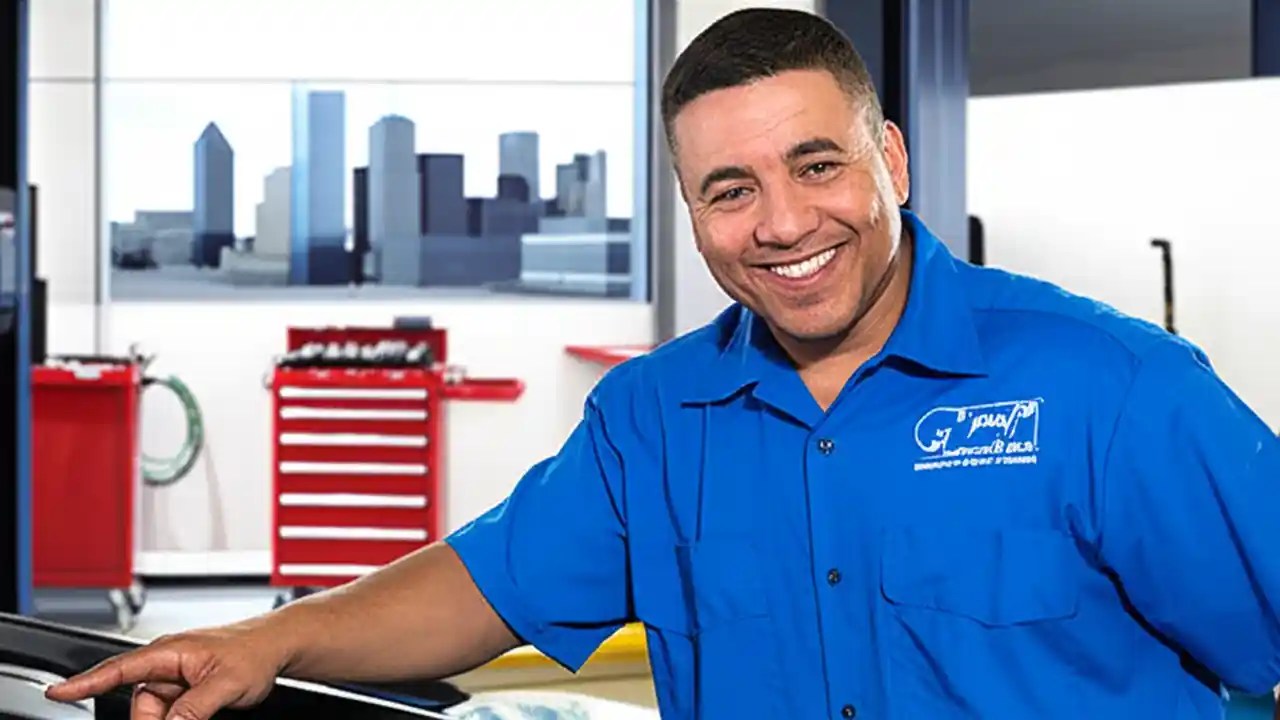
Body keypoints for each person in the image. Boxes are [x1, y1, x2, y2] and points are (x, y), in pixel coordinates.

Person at [48, 8, 1280, 720]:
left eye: (817, 166)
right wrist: (266, 642)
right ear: (692, 213)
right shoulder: (656, 415)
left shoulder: (1115, 390)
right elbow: (480, 589)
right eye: (729, 190)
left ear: (891, 162)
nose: (783, 224)